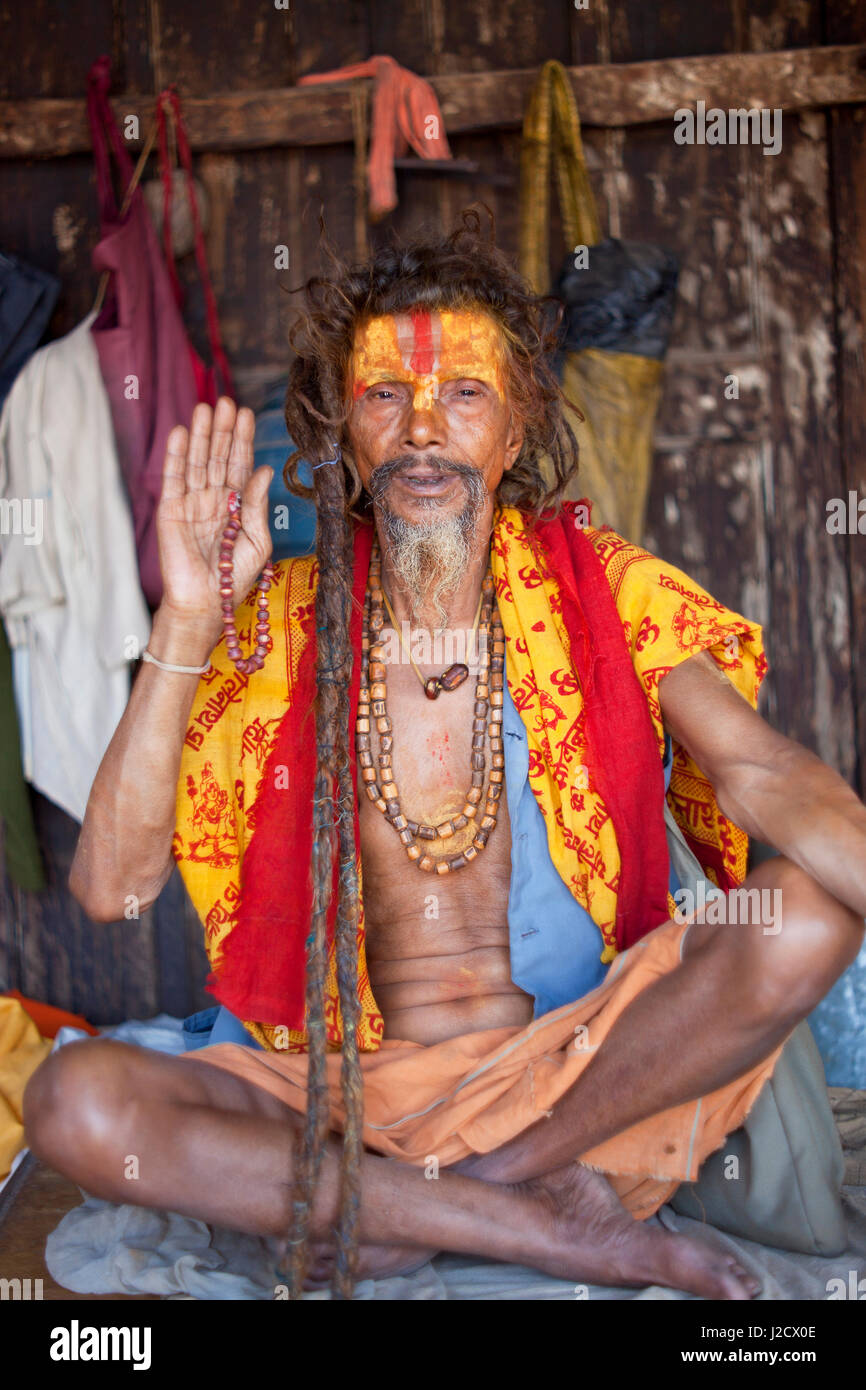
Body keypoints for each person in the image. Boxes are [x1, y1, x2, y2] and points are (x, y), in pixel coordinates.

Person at [23, 213, 866, 1300]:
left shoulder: (599, 588)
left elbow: (759, 771)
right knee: (75, 1102)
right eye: (386, 397)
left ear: (513, 433)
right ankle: (542, 1220)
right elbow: (110, 888)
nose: (423, 428)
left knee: (799, 912)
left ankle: (487, 1183)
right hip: (328, 1097)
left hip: (571, 1073)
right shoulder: (274, 626)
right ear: (344, 437)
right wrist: (187, 621)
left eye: (462, 394)